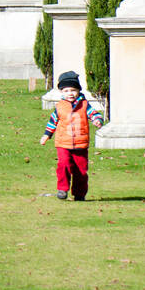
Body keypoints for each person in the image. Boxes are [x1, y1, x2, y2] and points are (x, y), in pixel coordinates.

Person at [39, 71, 105, 200]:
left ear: (78, 91)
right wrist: (46, 135)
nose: (70, 93)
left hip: (81, 143)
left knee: (81, 170)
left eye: (73, 90)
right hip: (63, 143)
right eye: (67, 90)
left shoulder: (85, 105)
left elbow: (94, 114)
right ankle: (62, 189)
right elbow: (52, 122)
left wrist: (97, 120)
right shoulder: (59, 107)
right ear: (62, 92)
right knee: (64, 165)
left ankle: (79, 194)